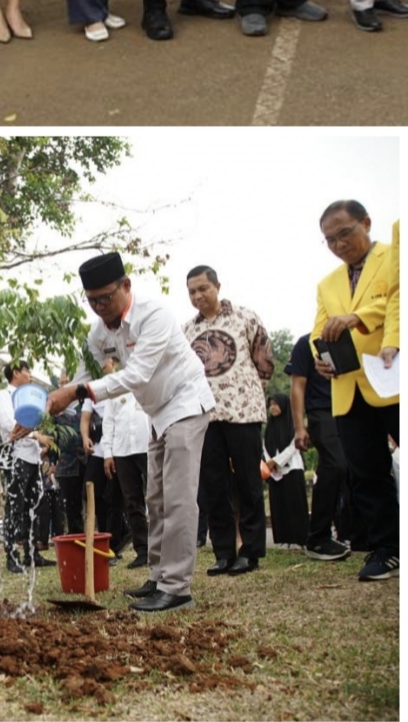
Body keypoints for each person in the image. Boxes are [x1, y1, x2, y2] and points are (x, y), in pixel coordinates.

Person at [47, 252, 215, 613]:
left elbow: (136, 375)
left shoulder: (154, 315)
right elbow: (85, 375)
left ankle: (177, 587)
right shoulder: (98, 333)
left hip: (185, 401)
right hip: (156, 412)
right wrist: (51, 402)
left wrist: (78, 392)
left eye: (106, 298)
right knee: (155, 497)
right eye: (92, 301)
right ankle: (158, 576)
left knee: (178, 497)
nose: (100, 308)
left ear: (126, 285)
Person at [314, 202, 400, 583]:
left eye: (344, 233)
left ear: (366, 223)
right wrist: (321, 358)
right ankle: (387, 549)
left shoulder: (393, 255)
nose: (338, 244)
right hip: (347, 389)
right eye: (330, 239)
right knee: (366, 473)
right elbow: (319, 330)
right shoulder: (327, 284)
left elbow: (395, 300)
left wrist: (357, 317)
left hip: (391, 381)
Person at [185, 266, 275, 577]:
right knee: (213, 485)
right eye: (192, 291)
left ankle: (250, 551)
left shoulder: (245, 317)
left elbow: (264, 359)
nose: (198, 296)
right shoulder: (187, 331)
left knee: (248, 482)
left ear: (217, 286)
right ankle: (223, 552)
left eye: (203, 288)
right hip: (205, 416)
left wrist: (251, 391)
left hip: (243, 411)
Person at [288, 332, 354, 560]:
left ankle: (360, 535)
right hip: (321, 411)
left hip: (352, 409)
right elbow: (297, 385)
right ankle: (318, 537)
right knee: (335, 465)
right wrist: (299, 427)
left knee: (356, 471)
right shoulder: (306, 343)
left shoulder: (357, 337)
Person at [0, 360, 55, 571]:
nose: (30, 374)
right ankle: (12, 557)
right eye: (27, 370)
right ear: (16, 372)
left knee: (33, 507)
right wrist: (37, 435)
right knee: (14, 508)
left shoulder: (31, 397)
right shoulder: (4, 396)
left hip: (32, 458)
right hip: (15, 458)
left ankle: (32, 554)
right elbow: (9, 426)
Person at [97, 361, 151, 569]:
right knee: (132, 502)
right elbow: (108, 422)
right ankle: (142, 550)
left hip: (148, 446)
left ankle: (163, 547)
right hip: (122, 450)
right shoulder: (116, 386)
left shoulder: (147, 379)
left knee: (158, 497)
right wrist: (107, 453)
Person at [264, 394, 311, 549]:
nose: (273, 408)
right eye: (271, 405)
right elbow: (265, 445)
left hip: (292, 468)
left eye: (276, 404)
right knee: (279, 506)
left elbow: (293, 447)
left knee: (295, 505)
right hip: (275, 473)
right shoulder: (270, 426)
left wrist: (276, 461)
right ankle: (283, 539)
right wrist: (269, 461)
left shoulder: (293, 426)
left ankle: (300, 539)